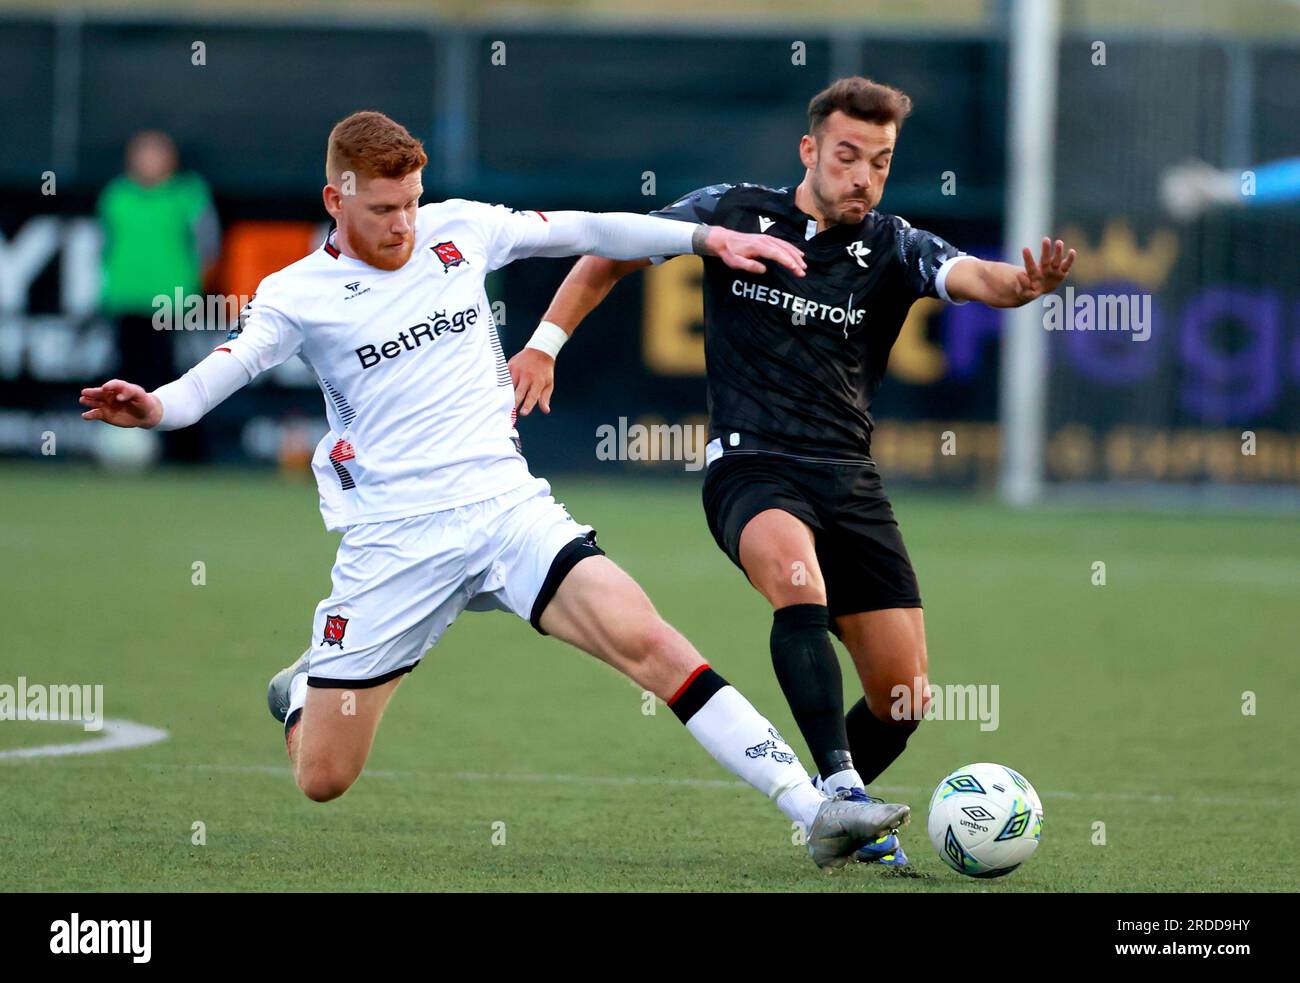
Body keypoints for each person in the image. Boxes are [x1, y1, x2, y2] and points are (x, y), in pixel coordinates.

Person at [80, 110, 909, 872]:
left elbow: (587, 229)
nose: (403, 224)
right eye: (381, 209)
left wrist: (703, 241)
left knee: (652, 642)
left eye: (411, 201)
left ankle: (815, 808)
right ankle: (303, 690)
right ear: (335, 198)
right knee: (324, 778)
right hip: (396, 541)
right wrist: (156, 407)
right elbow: (220, 373)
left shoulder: (460, 229)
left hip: (507, 510)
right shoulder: (296, 294)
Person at [510, 77, 1076, 866]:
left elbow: (977, 278)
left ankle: (834, 821)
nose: (863, 177)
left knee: (904, 696)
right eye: (848, 156)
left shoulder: (893, 244)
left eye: (880, 162)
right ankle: (840, 797)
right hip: (751, 467)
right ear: (810, 150)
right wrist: (544, 343)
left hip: (847, 478)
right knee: (796, 578)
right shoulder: (732, 211)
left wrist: (1024, 286)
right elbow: (612, 253)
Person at [97, 130, 219, 461]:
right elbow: (105, 246)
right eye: (142, 154)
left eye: (156, 154)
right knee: (125, 375)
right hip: (126, 301)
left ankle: (184, 455)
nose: (148, 161)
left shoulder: (188, 195)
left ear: (171, 160)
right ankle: (129, 451)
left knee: (174, 376)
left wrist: (195, 289)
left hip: (171, 304)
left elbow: (208, 246)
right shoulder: (116, 195)